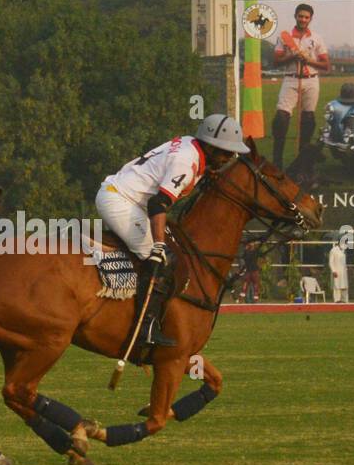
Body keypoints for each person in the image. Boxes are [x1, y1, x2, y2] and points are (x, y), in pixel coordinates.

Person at [95, 114, 248, 347]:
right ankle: (145, 329)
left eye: (232, 154)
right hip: (121, 201)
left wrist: (206, 173)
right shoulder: (186, 162)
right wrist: (158, 245)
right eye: (226, 152)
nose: (229, 159)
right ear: (209, 146)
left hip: (125, 197)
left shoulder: (190, 145)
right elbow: (158, 203)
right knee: (163, 260)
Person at [270, 3, 330, 169]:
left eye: (306, 17)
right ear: (295, 16)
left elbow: (325, 65)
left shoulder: (316, 38)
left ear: (310, 19)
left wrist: (308, 60)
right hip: (291, 79)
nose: (303, 19)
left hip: (311, 79)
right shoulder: (284, 37)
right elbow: (276, 62)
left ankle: (303, 162)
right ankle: (277, 162)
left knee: (308, 119)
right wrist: (293, 57)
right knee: (281, 119)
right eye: (300, 16)